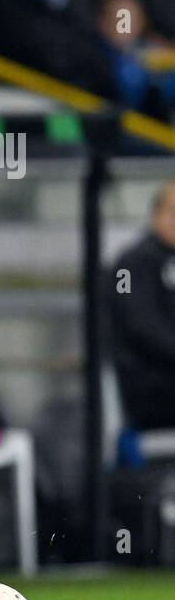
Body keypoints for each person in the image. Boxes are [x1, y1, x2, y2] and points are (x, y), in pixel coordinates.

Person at [110, 178, 175, 429]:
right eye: (172, 211)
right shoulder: (130, 266)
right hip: (150, 386)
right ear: (155, 215)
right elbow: (140, 326)